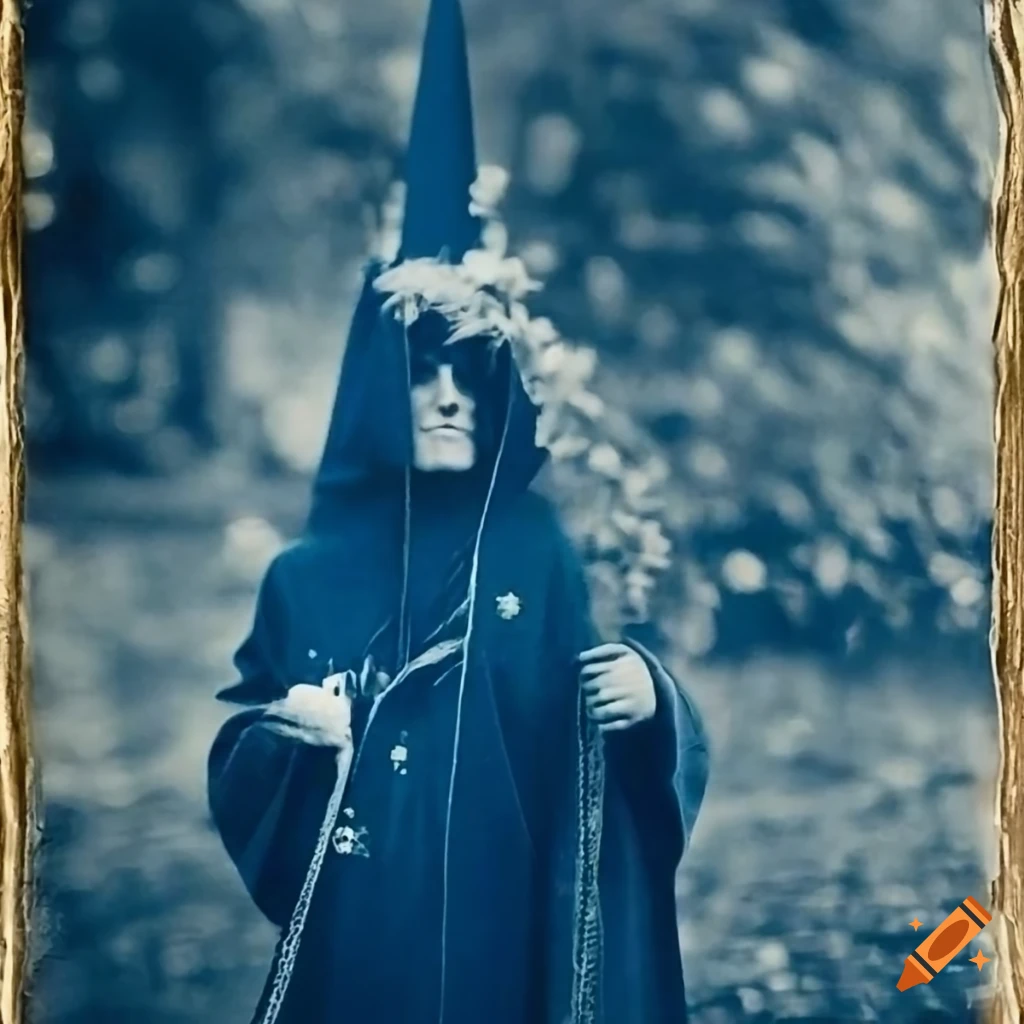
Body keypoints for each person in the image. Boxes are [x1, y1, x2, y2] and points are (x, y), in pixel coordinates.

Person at [206, 1, 709, 1022]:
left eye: (470, 375)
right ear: (373, 392)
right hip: (364, 931)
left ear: (500, 394)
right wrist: (282, 731)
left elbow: (598, 757)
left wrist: (650, 699)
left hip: (506, 919)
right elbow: (240, 754)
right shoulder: (303, 575)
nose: (447, 395)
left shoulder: (540, 552)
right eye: (422, 372)